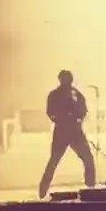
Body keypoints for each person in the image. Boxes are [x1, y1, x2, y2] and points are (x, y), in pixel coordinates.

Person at [38, 69, 95, 199]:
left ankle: (90, 188)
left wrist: (76, 117)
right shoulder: (55, 95)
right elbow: (51, 112)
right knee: (54, 161)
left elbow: (83, 110)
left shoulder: (75, 94)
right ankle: (42, 190)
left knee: (87, 159)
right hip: (64, 131)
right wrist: (63, 118)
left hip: (73, 131)